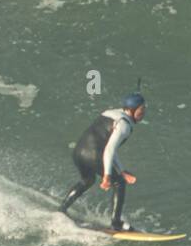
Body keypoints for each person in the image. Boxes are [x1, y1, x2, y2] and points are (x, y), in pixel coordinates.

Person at [59, 92, 146, 231]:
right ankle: (116, 223)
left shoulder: (110, 113)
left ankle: (62, 210)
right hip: (94, 155)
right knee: (119, 183)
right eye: (141, 110)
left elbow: (106, 146)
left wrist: (121, 170)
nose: (143, 113)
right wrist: (107, 175)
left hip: (78, 152)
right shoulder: (124, 126)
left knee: (87, 180)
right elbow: (109, 149)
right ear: (131, 110)